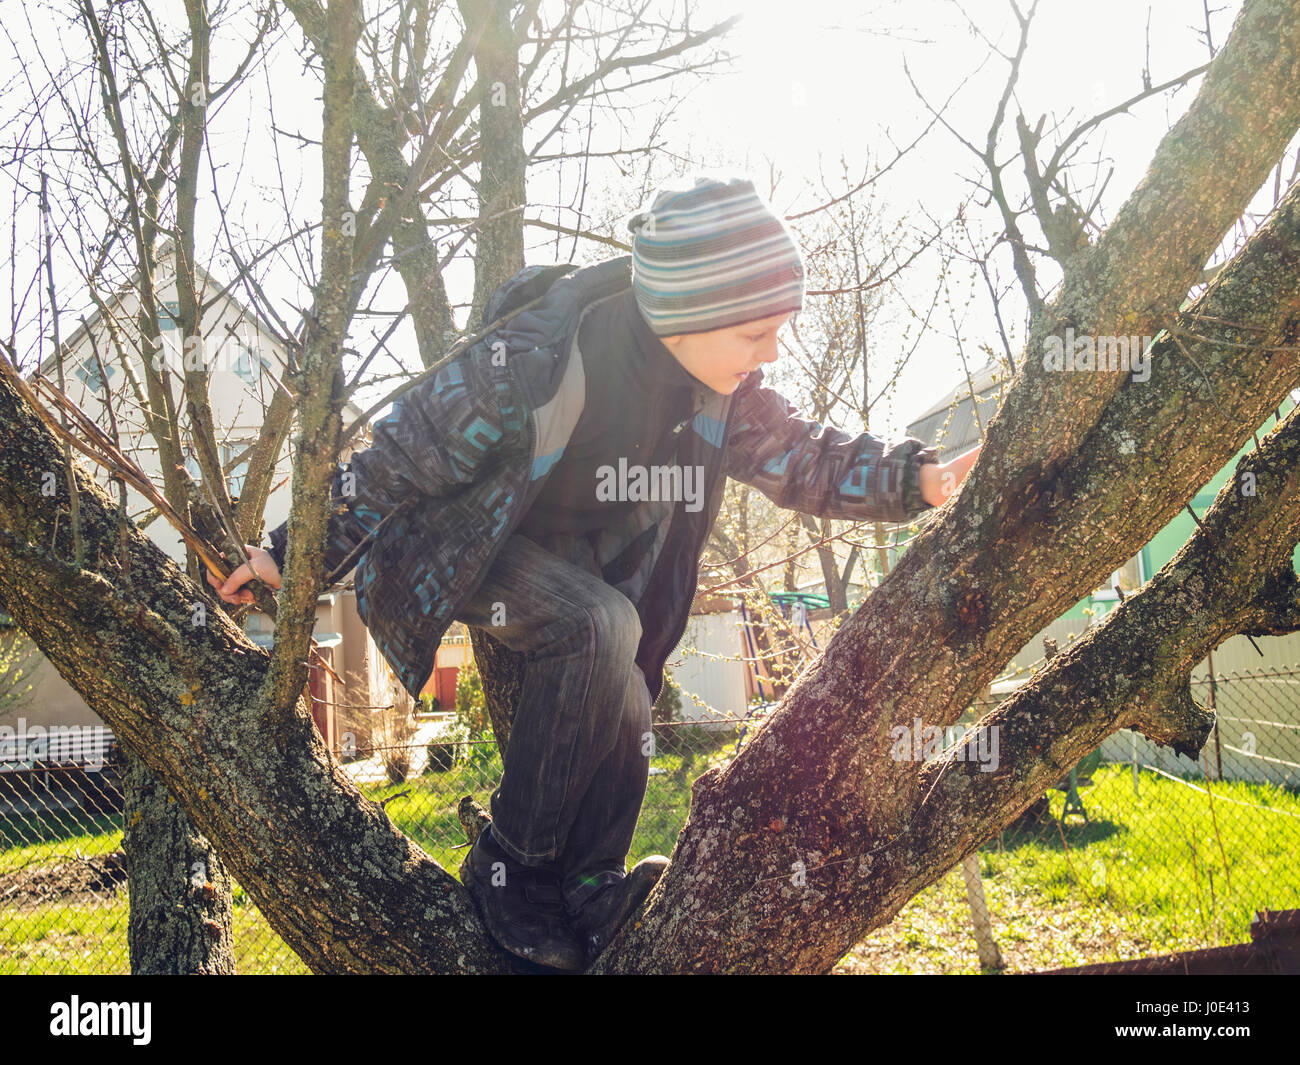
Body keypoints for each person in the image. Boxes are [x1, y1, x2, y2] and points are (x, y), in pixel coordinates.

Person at [211, 176, 981, 970]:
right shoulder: (538, 355)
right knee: (600, 622)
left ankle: (589, 881)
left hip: (569, 558)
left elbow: (804, 454)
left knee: (628, 675)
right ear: (690, 313)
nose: (771, 352)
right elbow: (401, 451)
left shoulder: (723, 391)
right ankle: (511, 869)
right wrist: (289, 552)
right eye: (756, 332)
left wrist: (915, 479)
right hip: (457, 544)